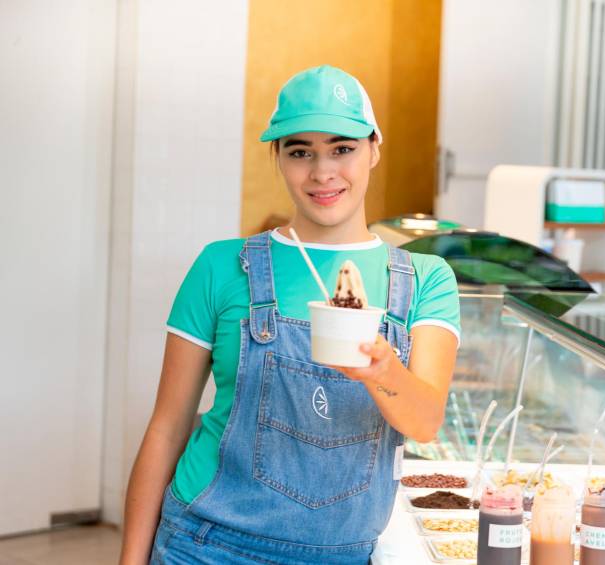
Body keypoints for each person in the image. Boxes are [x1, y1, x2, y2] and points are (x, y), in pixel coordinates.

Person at [119, 65, 461, 564]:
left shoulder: (427, 279)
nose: (322, 172)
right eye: (300, 151)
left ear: (373, 149)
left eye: (342, 148)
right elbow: (166, 429)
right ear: (277, 158)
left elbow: (425, 421)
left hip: (341, 553)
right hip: (205, 546)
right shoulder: (221, 266)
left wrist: (382, 369)